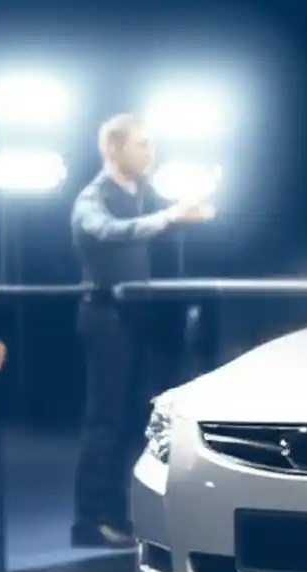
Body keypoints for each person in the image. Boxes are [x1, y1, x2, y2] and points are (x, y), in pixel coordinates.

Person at [71, 113, 215, 548]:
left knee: (138, 417)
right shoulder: (93, 197)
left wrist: (182, 214)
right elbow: (106, 231)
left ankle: (121, 512)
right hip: (106, 317)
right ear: (115, 150)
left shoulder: (146, 193)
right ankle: (90, 519)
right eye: (142, 145)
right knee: (106, 419)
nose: (150, 154)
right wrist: (171, 217)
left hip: (142, 320)